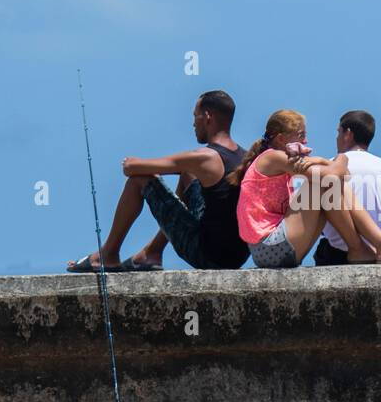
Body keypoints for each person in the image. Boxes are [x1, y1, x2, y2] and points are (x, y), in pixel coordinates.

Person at [66, 90, 249, 272]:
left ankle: (108, 254)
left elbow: (132, 168)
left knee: (140, 179)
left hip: (209, 255)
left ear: (207, 116)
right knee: (188, 173)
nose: (194, 123)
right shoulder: (245, 156)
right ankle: (152, 252)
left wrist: (131, 162)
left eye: (195, 116)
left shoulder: (206, 157)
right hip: (237, 255)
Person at [232, 109, 381, 269]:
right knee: (324, 184)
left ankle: (371, 247)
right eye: (301, 135)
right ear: (282, 139)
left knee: (330, 185)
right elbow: (333, 176)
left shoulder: (282, 161)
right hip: (271, 247)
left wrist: (326, 161)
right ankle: (369, 247)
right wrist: (342, 158)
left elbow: (339, 175)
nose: (306, 141)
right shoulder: (273, 157)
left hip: (276, 249)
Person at [312, 110, 381, 266]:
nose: (336, 138)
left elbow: (319, 224)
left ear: (348, 134)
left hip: (338, 254)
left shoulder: (326, 168)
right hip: (380, 253)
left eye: (338, 132)